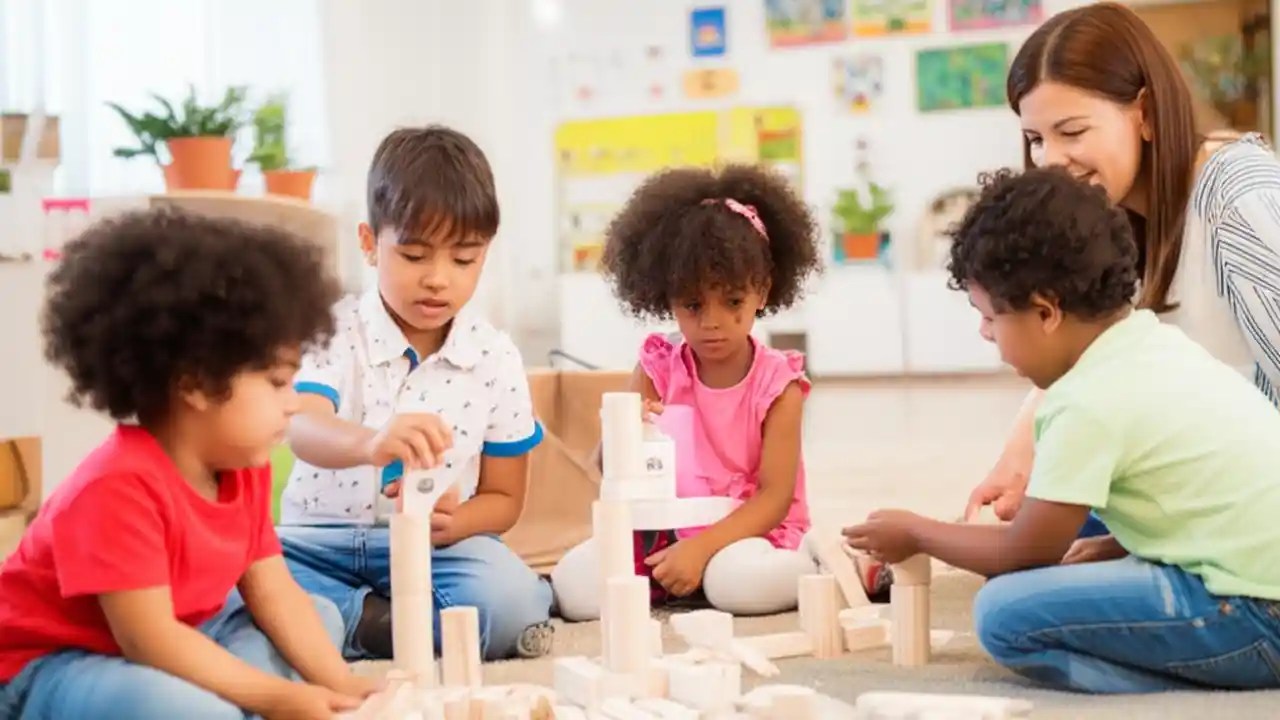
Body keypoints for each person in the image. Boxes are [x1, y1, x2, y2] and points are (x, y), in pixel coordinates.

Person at [846, 166, 1280, 694]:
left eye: (989, 319)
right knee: (1085, 524)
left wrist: (916, 532)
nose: (985, 335)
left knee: (1003, 614)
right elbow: (1200, 489)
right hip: (1257, 567)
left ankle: (1170, 689)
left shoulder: (1084, 402)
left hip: (1256, 616)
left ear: (1046, 312)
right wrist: (1123, 545)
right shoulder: (1153, 342)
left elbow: (1023, 553)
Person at [0, 210, 377, 719]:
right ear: (196, 383)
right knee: (182, 708)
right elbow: (148, 639)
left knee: (318, 617)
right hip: (56, 662)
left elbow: (275, 591)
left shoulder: (244, 462)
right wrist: (278, 697)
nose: (293, 402)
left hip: (186, 631)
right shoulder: (115, 487)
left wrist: (343, 685)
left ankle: (222, 696)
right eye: (276, 382)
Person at [964, 1, 1280, 538]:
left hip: (1249, 507)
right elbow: (1095, 355)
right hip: (1192, 486)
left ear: (1146, 113)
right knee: (1029, 532)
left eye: (1072, 131)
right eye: (1037, 139)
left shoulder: (1235, 194)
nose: (1051, 161)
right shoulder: (1113, 218)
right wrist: (1021, 451)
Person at [276, 125, 554, 663]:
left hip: (433, 550)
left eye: (463, 259)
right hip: (315, 543)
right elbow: (301, 427)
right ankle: (374, 622)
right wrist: (370, 443)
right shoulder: (333, 329)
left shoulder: (494, 358)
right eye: (414, 255)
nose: (437, 279)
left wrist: (460, 522)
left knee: (511, 601)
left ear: (486, 254)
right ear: (369, 243)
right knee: (238, 579)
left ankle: (351, 625)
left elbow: (505, 499)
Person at [550, 164, 824, 619]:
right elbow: (603, 469)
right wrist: (625, 436)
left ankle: (811, 566)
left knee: (734, 583)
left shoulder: (779, 386)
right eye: (693, 305)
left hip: (743, 537)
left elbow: (774, 500)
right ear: (666, 297)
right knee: (576, 588)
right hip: (662, 535)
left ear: (762, 291)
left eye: (732, 302)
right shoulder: (658, 367)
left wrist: (701, 550)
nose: (712, 322)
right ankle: (678, 580)